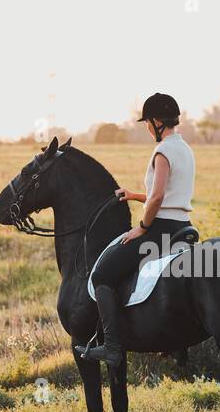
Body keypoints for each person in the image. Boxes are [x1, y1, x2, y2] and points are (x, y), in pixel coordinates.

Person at [76, 92, 196, 367]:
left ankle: (112, 347)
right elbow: (165, 194)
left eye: (147, 122)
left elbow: (158, 198)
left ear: (156, 122)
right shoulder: (185, 148)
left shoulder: (163, 150)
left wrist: (142, 228)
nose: (146, 127)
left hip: (160, 229)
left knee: (103, 274)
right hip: (183, 226)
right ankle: (176, 342)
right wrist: (134, 195)